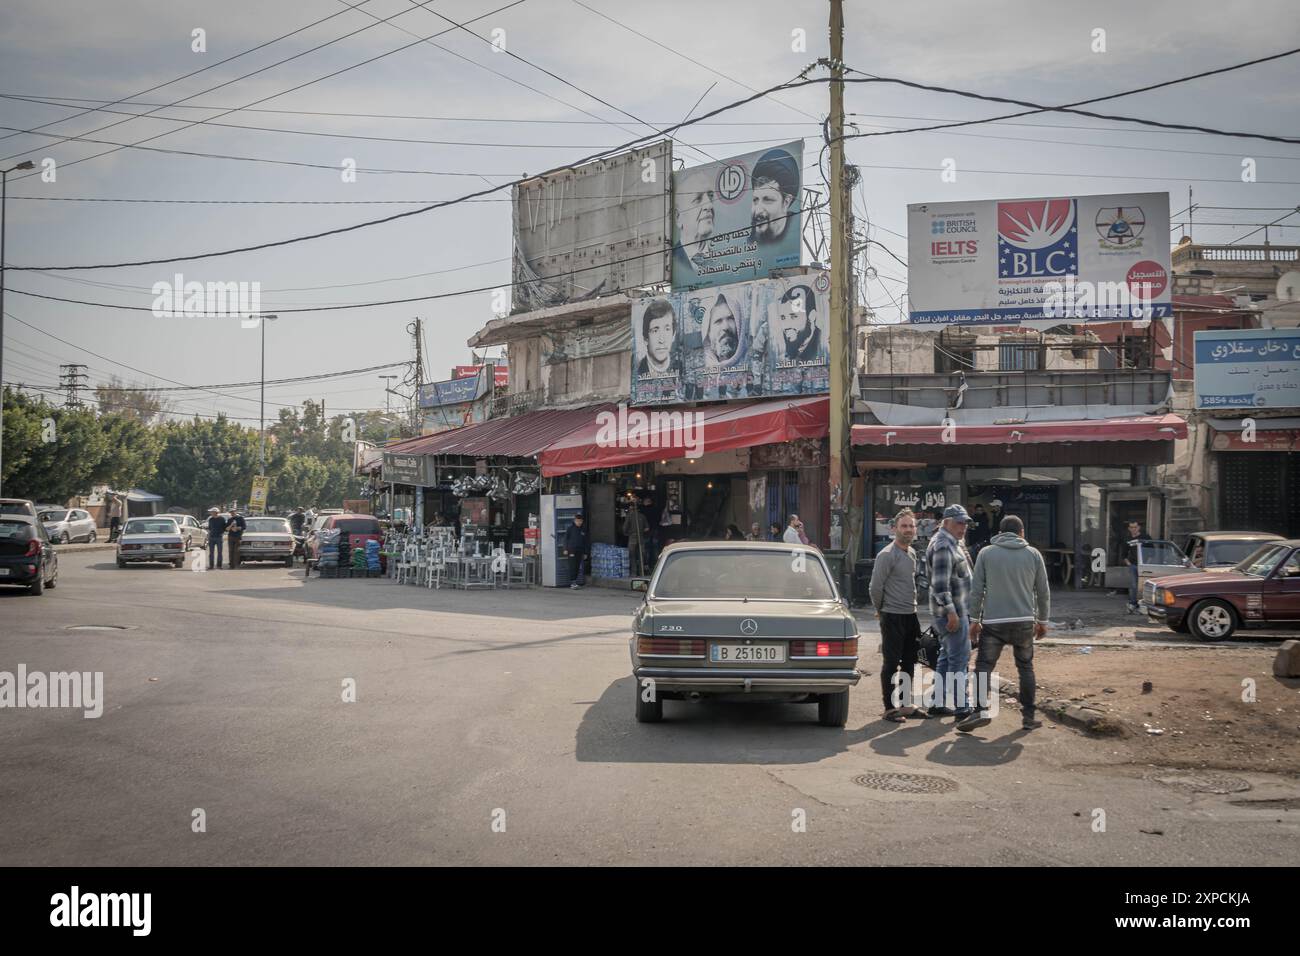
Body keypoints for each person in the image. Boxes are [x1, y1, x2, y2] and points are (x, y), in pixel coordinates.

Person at [962, 515, 1051, 732]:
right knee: (1025, 668)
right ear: (1022, 533)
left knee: (983, 666)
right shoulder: (1033, 555)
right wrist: (1042, 621)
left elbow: (977, 590)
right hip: (1023, 622)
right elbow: (1043, 591)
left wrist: (974, 620)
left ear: (1000, 533)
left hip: (994, 623)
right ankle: (1029, 718)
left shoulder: (986, 553)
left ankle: (981, 710)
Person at [869, 509, 930, 723]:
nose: (908, 530)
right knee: (891, 662)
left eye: (911, 526)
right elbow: (875, 587)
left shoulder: (911, 553)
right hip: (892, 615)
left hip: (910, 614)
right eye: (904, 526)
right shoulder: (886, 555)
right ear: (894, 529)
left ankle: (905, 705)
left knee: (910, 662)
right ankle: (889, 708)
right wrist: (881, 610)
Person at [925, 504, 975, 718]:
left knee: (947, 657)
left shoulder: (953, 542)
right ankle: (962, 707)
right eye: (959, 523)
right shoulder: (944, 545)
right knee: (959, 660)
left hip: (956, 610)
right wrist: (952, 613)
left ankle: (937, 702)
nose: (963, 527)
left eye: (965, 523)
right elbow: (940, 585)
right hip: (951, 613)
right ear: (946, 522)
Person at [749, 147, 799, 245]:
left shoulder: (793, 236)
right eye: (755, 200)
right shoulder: (747, 243)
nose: (758, 211)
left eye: (767, 200)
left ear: (786, 202)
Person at [774, 284, 823, 362]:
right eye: (783, 318)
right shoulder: (781, 350)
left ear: (812, 316)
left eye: (793, 316)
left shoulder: (823, 345)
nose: (786, 325)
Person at [635, 299, 682, 377]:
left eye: (667, 329)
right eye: (655, 331)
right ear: (646, 339)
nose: (661, 340)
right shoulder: (636, 373)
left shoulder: (682, 369)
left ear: (673, 335)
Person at [1123, 519, 1152, 612]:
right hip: (1133, 565)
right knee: (1133, 585)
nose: (1133, 529)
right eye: (1131, 527)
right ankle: (1133, 603)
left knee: (1146, 585)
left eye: (1135, 527)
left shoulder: (1145, 537)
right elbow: (1123, 554)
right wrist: (1129, 564)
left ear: (1139, 527)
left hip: (1145, 565)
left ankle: (1145, 604)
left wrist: (1147, 563)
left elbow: (1152, 551)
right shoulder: (1127, 539)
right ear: (1129, 528)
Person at [563, 514, 590, 589]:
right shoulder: (570, 529)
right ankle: (573, 582)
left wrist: (585, 553)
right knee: (572, 566)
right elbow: (565, 539)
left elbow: (586, 542)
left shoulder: (583, 530)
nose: (579, 522)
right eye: (578, 521)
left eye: (580, 521)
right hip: (571, 550)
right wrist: (565, 549)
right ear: (574, 521)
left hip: (580, 550)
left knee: (577, 567)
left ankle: (575, 581)